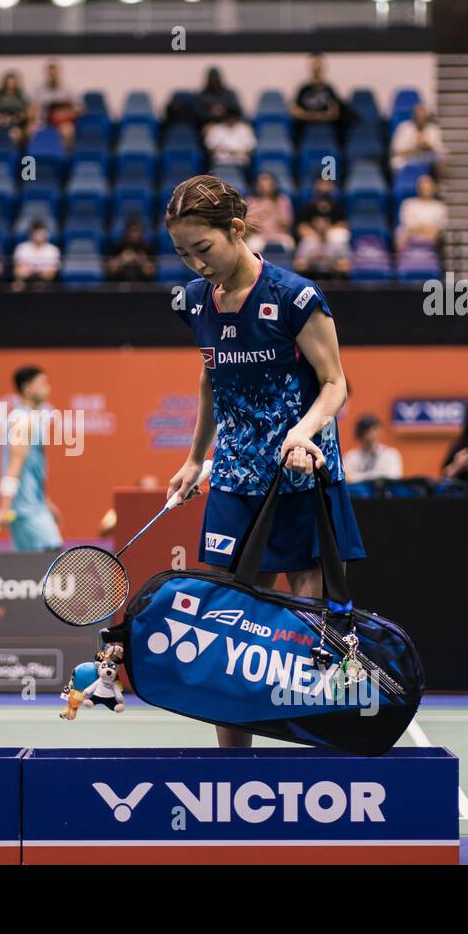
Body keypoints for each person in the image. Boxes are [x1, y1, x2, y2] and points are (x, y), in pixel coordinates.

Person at [165, 174, 365, 749]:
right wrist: (195, 458)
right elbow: (210, 377)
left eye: (202, 249)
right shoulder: (193, 301)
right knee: (226, 622)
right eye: (182, 254)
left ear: (235, 230)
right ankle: (234, 773)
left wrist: (303, 433)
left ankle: (319, 754)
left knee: (308, 622)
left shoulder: (294, 297)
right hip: (233, 475)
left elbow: (335, 384)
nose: (195, 264)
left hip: (299, 473)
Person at [0, 366, 63, 552]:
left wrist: (45, 501)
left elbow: (31, 469)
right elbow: (14, 465)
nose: (48, 388)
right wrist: (4, 507)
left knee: (29, 570)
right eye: (42, 383)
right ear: (27, 388)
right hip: (26, 511)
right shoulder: (23, 421)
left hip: (33, 506)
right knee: (54, 561)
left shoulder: (30, 418)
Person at [33, 59, 80, 150]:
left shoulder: (67, 90)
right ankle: (34, 158)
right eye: (50, 74)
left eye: (55, 74)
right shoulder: (39, 90)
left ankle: (64, 157)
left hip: (61, 122)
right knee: (32, 129)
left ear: (59, 73)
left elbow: (79, 109)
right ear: (47, 74)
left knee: (68, 130)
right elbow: (34, 108)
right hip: (44, 121)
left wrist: (65, 112)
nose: (53, 76)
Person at [343, 414, 403, 482]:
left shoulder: (390, 454)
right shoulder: (351, 456)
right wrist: (377, 476)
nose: (372, 434)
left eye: (375, 429)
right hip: (356, 492)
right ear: (359, 433)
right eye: (367, 430)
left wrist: (357, 477)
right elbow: (346, 478)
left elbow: (393, 478)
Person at [390, 104, 449, 173]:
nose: (421, 119)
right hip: (408, 158)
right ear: (414, 116)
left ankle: (437, 182)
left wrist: (426, 145)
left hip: (426, 158)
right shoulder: (404, 128)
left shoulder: (433, 129)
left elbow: (438, 149)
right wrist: (415, 150)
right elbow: (397, 151)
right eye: (419, 116)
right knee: (395, 163)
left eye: (423, 117)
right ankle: (403, 182)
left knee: (443, 158)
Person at [245, 171, 294, 253]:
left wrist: (275, 208)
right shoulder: (251, 201)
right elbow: (248, 226)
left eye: (269, 183)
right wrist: (260, 214)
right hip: (259, 237)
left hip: (279, 236)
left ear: (274, 185)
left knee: (289, 244)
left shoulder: (283, 200)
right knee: (252, 245)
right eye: (262, 184)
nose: (266, 186)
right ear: (257, 185)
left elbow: (287, 223)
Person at [396, 174, 449, 250]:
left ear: (433, 189)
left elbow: (441, 226)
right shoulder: (408, 204)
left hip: (432, 236)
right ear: (418, 188)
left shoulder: (440, 206)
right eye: (423, 188)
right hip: (411, 234)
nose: (425, 190)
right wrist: (424, 229)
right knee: (401, 234)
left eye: (428, 188)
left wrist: (423, 229)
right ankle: (404, 259)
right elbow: (407, 223)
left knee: (434, 235)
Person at [291, 53, 342, 126]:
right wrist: (313, 116)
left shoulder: (329, 89)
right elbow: (295, 111)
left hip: (326, 125)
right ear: (311, 68)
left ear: (323, 68)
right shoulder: (304, 89)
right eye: (314, 65)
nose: (317, 68)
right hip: (305, 126)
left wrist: (320, 116)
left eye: (319, 66)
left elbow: (334, 112)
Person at [12, 221, 60, 290]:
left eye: (42, 233)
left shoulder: (53, 250)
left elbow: (51, 274)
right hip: (26, 281)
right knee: (17, 286)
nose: (39, 236)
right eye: (37, 233)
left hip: (45, 282)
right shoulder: (21, 248)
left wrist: (31, 270)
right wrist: (39, 270)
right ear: (31, 233)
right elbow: (18, 271)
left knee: (41, 286)